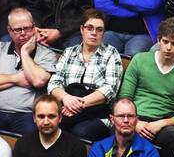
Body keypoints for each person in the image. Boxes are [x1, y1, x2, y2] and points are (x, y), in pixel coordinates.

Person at [119, 17, 174, 157]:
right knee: (124, 131)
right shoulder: (139, 60)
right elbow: (124, 98)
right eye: (165, 42)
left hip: (163, 122)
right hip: (135, 116)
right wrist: (136, 122)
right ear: (159, 40)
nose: (168, 48)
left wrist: (161, 124)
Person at [48, 8, 123, 138]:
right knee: (49, 124)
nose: (94, 33)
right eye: (90, 28)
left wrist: (77, 105)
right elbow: (54, 83)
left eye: (99, 30)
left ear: (103, 33)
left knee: (80, 132)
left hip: (97, 113)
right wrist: (66, 99)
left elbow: (109, 89)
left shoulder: (111, 53)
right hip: (67, 106)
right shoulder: (69, 52)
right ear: (82, 30)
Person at [0, 7, 55, 134]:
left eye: (27, 28)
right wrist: (17, 79)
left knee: (31, 136)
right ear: (9, 30)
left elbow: (38, 81)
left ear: (34, 27)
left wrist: (25, 53)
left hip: (26, 114)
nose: (23, 33)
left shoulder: (47, 54)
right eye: (18, 30)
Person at [87, 96, 161, 157]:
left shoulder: (149, 153)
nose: (126, 120)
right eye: (121, 116)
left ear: (136, 120)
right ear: (112, 119)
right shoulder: (98, 148)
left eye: (130, 116)